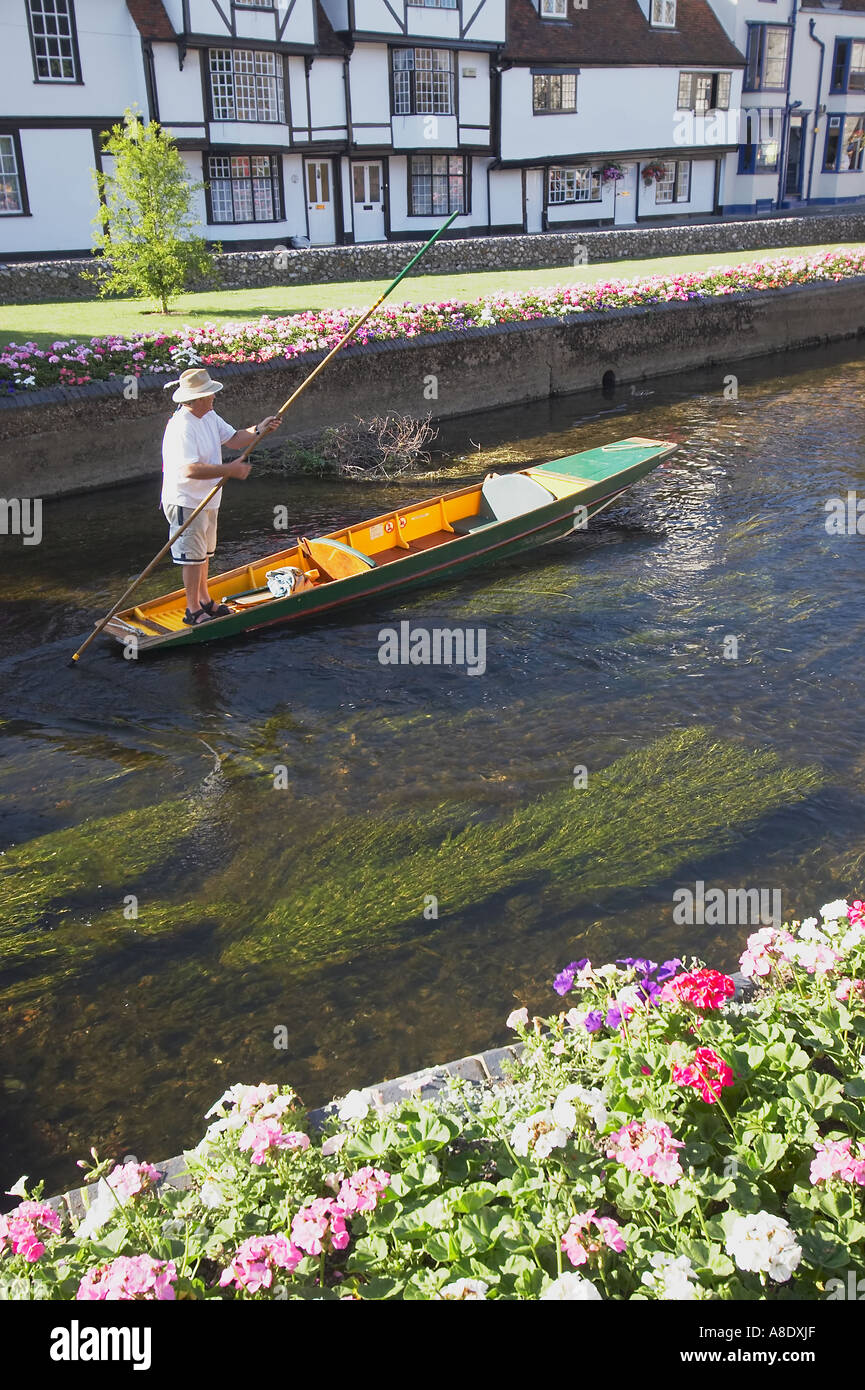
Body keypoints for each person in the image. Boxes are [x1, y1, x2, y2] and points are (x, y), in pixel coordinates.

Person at [160, 368, 282, 625]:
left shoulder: (209, 416)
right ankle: (192, 610)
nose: (214, 397)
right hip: (186, 501)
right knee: (192, 558)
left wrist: (260, 429)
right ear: (197, 398)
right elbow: (188, 469)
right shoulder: (181, 427)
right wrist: (230, 470)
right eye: (210, 394)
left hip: (208, 498)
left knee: (203, 555)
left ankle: (204, 599)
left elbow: (235, 439)